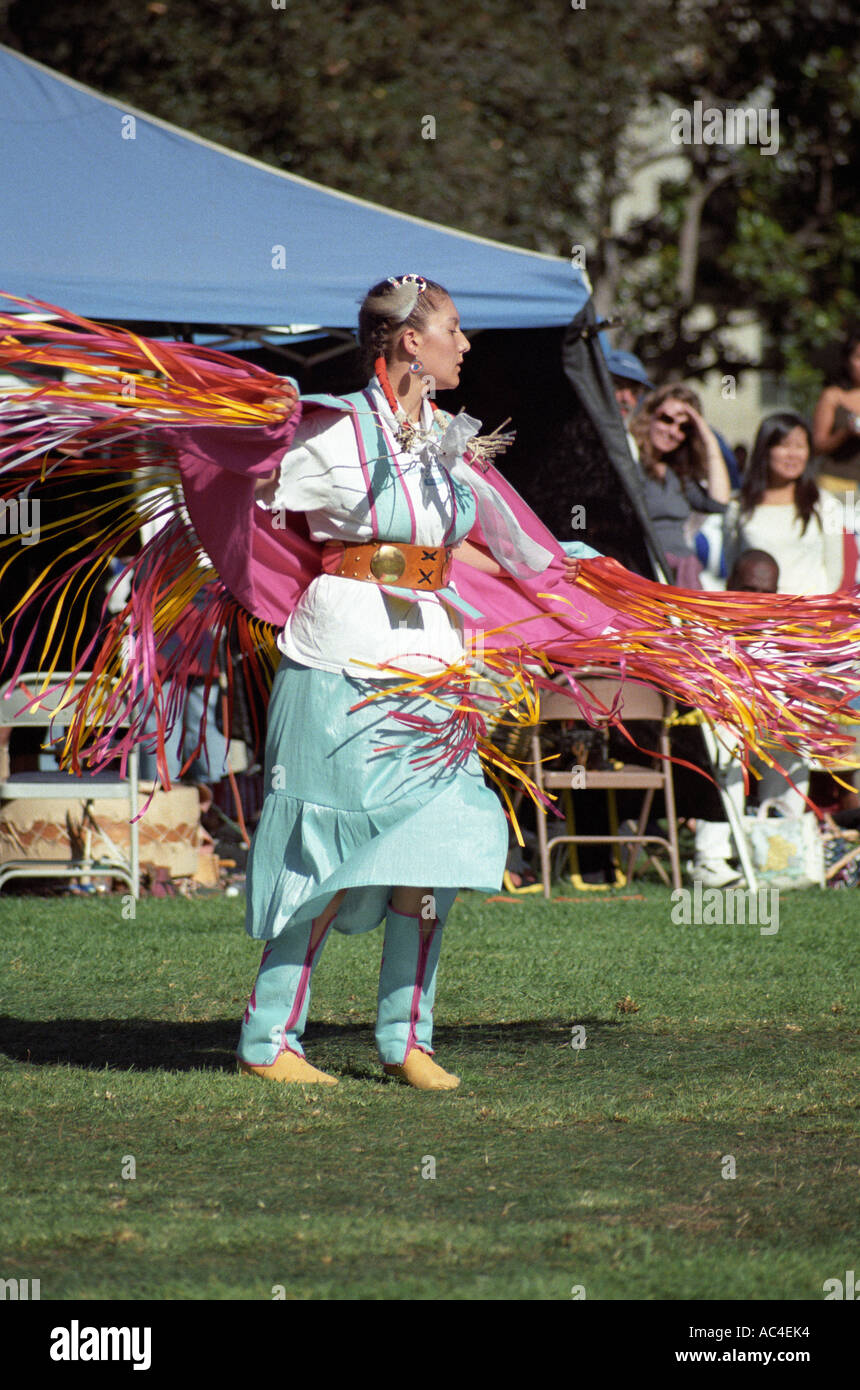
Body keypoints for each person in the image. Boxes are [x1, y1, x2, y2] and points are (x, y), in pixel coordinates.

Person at [235, 274, 551, 1091]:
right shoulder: (332, 434)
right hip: (342, 654)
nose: (466, 344)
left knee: (435, 849)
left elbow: (468, 547)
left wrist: (564, 586)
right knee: (324, 849)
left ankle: (406, 1038)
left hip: (432, 660)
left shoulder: (448, 440)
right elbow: (251, 505)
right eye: (455, 327)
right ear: (410, 340)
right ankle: (270, 1040)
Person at [692, 549, 811, 887]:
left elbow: (797, 685)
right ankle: (710, 859)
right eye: (749, 589)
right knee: (725, 744)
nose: (757, 599)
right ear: (729, 584)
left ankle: (779, 855)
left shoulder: (786, 632)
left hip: (768, 723)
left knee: (792, 747)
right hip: (715, 725)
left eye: (766, 593)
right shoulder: (705, 627)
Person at [701, 411, 852, 595]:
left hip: (807, 616)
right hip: (757, 616)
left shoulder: (826, 503)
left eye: (800, 446)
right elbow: (733, 565)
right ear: (765, 450)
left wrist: (811, 612)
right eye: (784, 445)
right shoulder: (738, 505)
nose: (793, 454)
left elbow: (834, 570)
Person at [631, 383, 731, 586]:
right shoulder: (631, 462)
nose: (673, 431)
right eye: (666, 420)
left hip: (682, 574)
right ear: (649, 415)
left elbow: (719, 503)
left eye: (684, 428)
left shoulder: (677, 474)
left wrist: (706, 434)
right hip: (642, 573)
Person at [812, 329, 860, 489]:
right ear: (847, 361)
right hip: (838, 482)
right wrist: (845, 433)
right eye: (859, 357)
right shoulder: (833, 396)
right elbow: (817, 445)